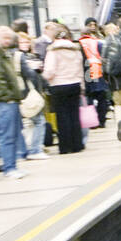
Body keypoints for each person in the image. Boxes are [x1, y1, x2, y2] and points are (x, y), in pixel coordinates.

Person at [0, 26, 26, 179]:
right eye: (4, 38)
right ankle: (9, 168)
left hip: (12, 101)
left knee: (14, 134)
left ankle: (13, 165)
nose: (7, 41)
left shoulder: (4, 54)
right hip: (4, 102)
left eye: (9, 38)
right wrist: (7, 96)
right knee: (7, 136)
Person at [44, 25, 86, 153]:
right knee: (74, 115)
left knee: (62, 117)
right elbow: (80, 69)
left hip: (58, 86)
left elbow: (50, 71)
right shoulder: (76, 49)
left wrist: (44, 77)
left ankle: (65, 146)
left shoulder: (53, 50)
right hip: (74, 84)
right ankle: (77, 144)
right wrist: (82, 85)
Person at [16, 31, 49, 161]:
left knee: (32, 122)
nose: (24, 44)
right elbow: (29, 75)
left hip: (34, 92)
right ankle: (35, 149)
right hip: (28, 93)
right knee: (38, 121)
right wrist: (33, 69)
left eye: (26, 42)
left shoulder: (30, 56)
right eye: (21, 42)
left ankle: (31, 148)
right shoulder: (20, 57)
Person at [80, 19, 111, 130]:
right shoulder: (98, 42)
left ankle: (92, 122)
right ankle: (101, 120)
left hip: (86, 74)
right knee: (102, 98)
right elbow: (105, 58)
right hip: (98, 72)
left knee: (89, 98)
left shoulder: (79, 44)